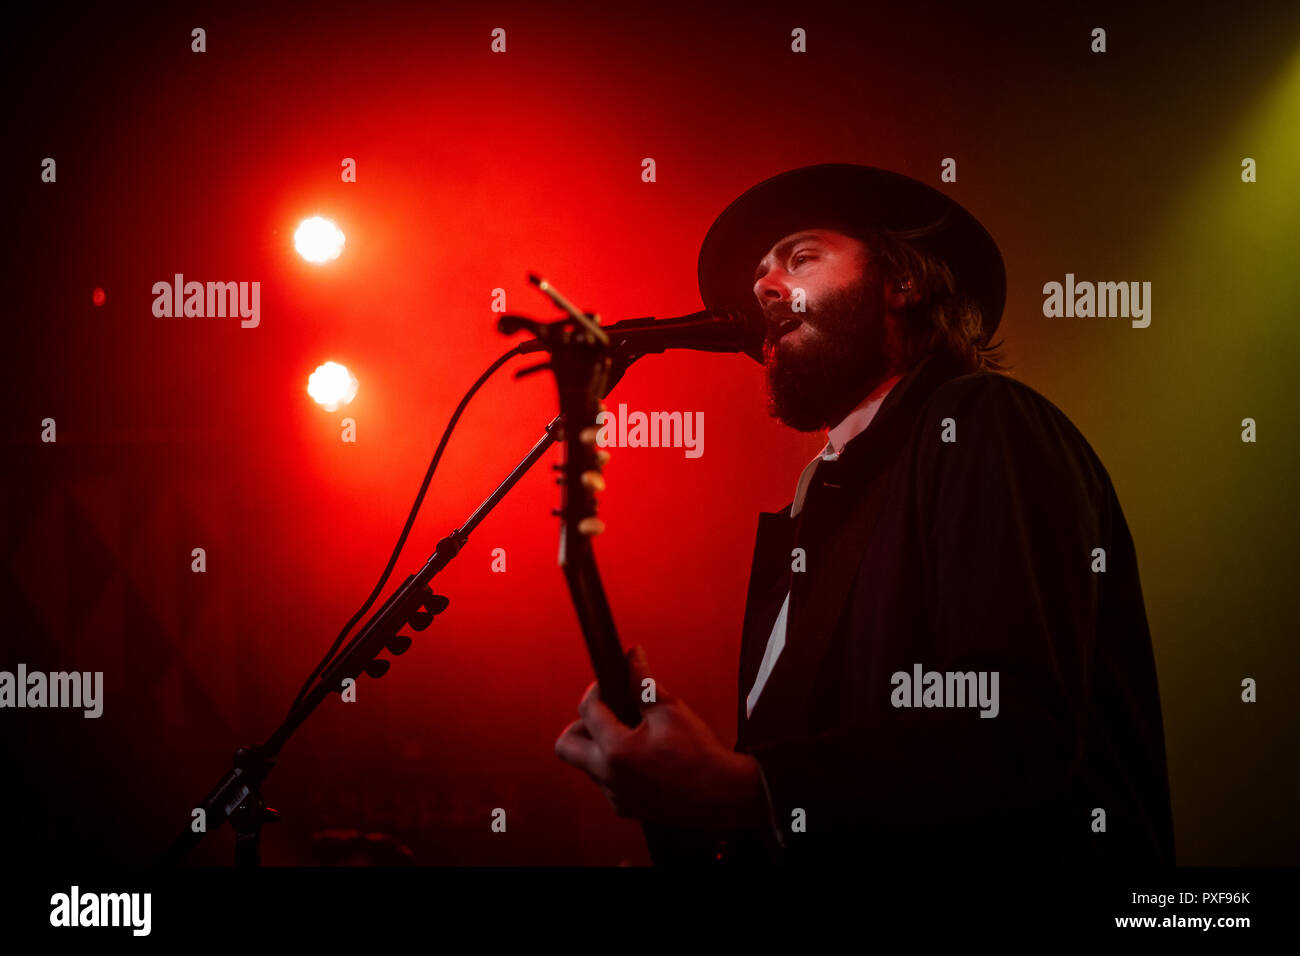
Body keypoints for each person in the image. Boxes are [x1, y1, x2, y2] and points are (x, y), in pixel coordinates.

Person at [554, 164, 1176, 865]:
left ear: (902, 283)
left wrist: (745, 789)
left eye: (801, 257)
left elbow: (1013, 723)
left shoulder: (980, 420)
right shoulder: (819, 501)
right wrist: (691, 796)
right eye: (762, 273)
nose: (763, 287)